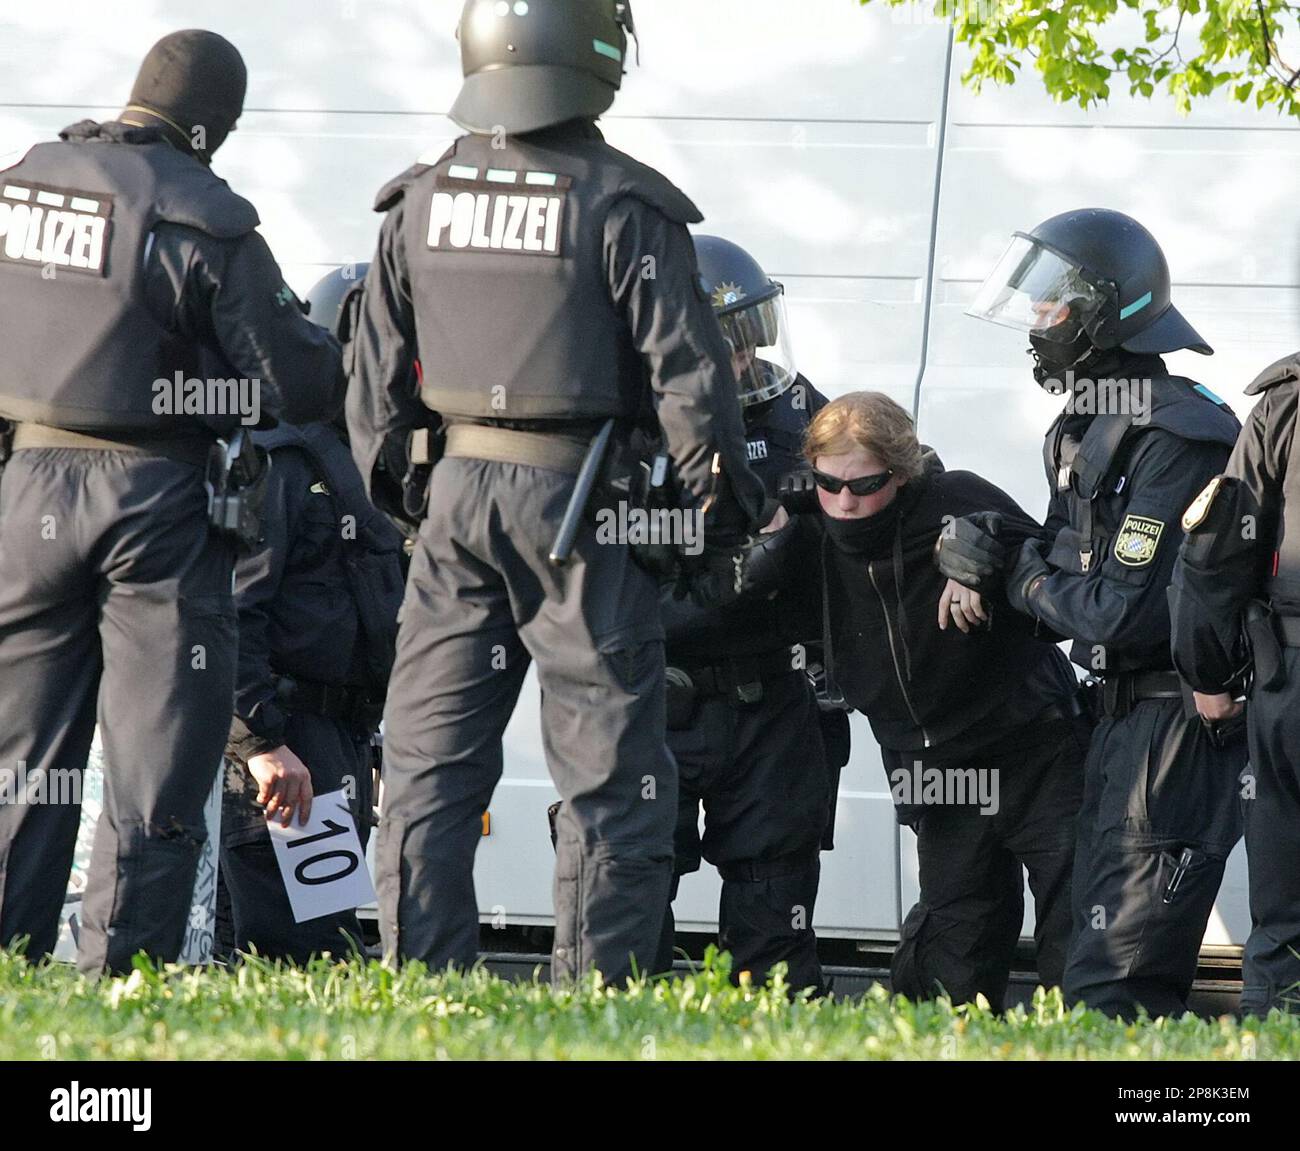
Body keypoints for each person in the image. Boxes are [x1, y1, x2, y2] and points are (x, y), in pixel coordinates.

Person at [348, 0, 768, 984]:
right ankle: (592, 994)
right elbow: (693, 383)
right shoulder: (623, 202)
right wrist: (717, 515)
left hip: (454, 504)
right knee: (610, 776)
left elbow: (368, 391)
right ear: (597, 56)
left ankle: (421, 990)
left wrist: (421, 501)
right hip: (584, 507)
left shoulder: (419, 199)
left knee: (425, 766)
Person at [0, 30, 344, 975]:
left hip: (27, 487)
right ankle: (119, 984)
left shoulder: (24, 180)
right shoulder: (205, 213)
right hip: (153, 502)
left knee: (23, 760)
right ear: (213, 125)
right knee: (157, 768)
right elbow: (298, 379)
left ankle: (8, 975)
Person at [941, 208, 1246, 1019]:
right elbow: (1062, 558)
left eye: (1050, 307)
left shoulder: (1179, 433)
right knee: (1082, 962)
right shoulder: (1086, 423)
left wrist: (1014, 572)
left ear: (1103, 312)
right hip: (1110, 722)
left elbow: (1118, 611)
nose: (1037, 325)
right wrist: (992, 544)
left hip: (1171, 725)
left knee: (1119, 982)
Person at [808, 391, 1085, 1011]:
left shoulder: (959, 497)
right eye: (829, 484)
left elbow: (1063, 574)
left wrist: (986, 557)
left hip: (1031, 741)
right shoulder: (808, 525)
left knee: (1077, 923)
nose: (845, 503)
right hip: (931, 764)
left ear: (902, 474)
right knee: (954, 943)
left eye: (865, 484)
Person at [651, 236, 839, 993]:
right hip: (652, 695)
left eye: (748, 340)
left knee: (776, 908)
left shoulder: (794, 406)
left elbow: (875, 480)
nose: (741, 364)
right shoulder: (622, 422)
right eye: (722, 346)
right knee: (624, 889)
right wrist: (737, 574)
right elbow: (596, 582)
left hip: (772, 699)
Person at [216, 265, 405, 964]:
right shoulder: (285, 459)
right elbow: (232, 612)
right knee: (304, 958)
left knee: (306, 948)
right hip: (285, 749)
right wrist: (261, 742)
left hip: (333, 740)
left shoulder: (363, 459)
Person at [1170, 351, 1300, 1015]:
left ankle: (1279, 1033)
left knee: (1287, 908)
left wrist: (1209, 672)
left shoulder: (1287, 400)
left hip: (1291, 679)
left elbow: (1219, 547)